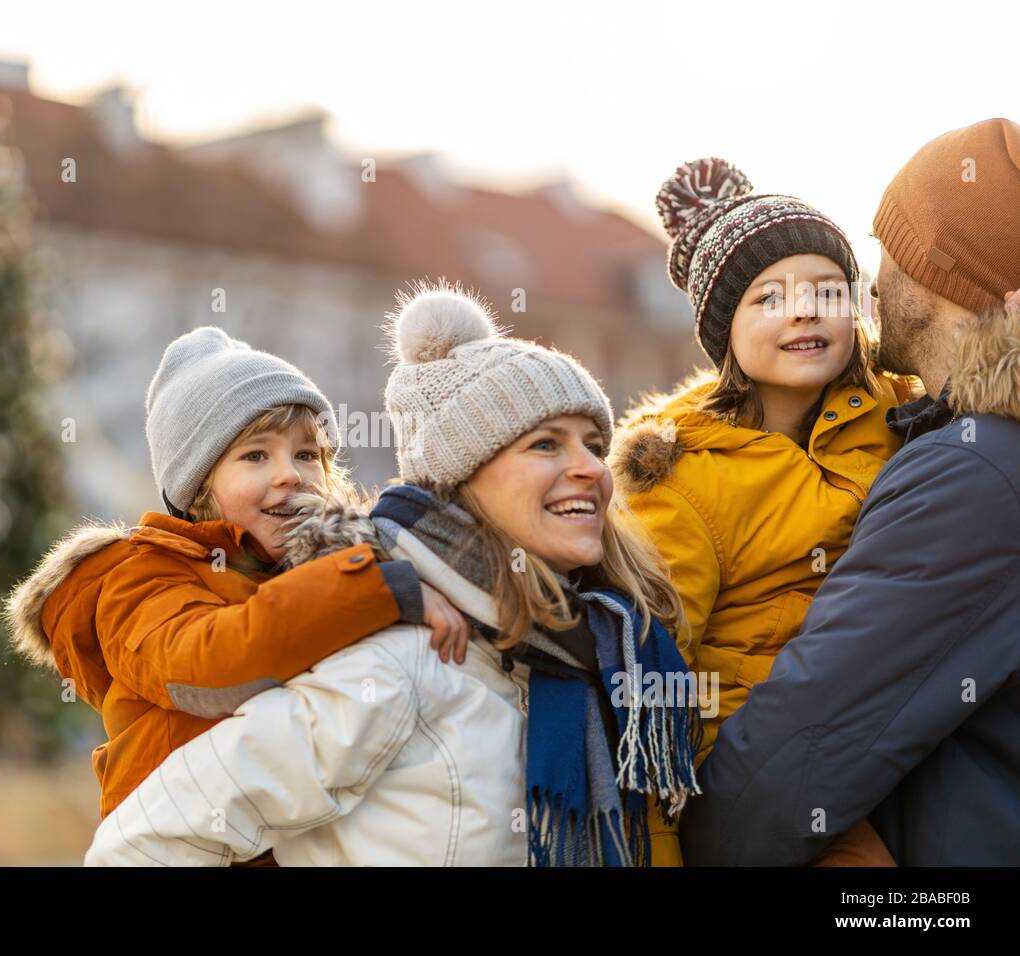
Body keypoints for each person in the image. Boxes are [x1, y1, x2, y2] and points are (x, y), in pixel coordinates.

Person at [84, 282, 701, 866]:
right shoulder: (399, 654)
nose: (592, 467)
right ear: (464, 472)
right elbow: (147, 835)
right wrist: (388, 590)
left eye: (594, 443)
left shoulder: (611, 644)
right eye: (546, 444)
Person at [679, 118, 1020, 865]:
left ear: (941, 273)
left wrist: (682, 839)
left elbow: (787, 765)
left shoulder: (977, 472)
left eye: (889, 245)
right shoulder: (961, 445)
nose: (876, 277)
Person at [1, 326, 463, 824]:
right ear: (198, 483)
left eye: (307, 454)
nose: (289, 474)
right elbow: (212, 663)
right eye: (256, 455)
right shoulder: (138, 580)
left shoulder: (315, 574)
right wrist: (378, 589)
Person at [611, 158, 919, 864]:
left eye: (827, 291)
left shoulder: (897, 405)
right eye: (769, 298)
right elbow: (657, 678)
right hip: (758, 762)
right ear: (725, 334)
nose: (805, 310)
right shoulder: (680, 474)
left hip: (882, 719)